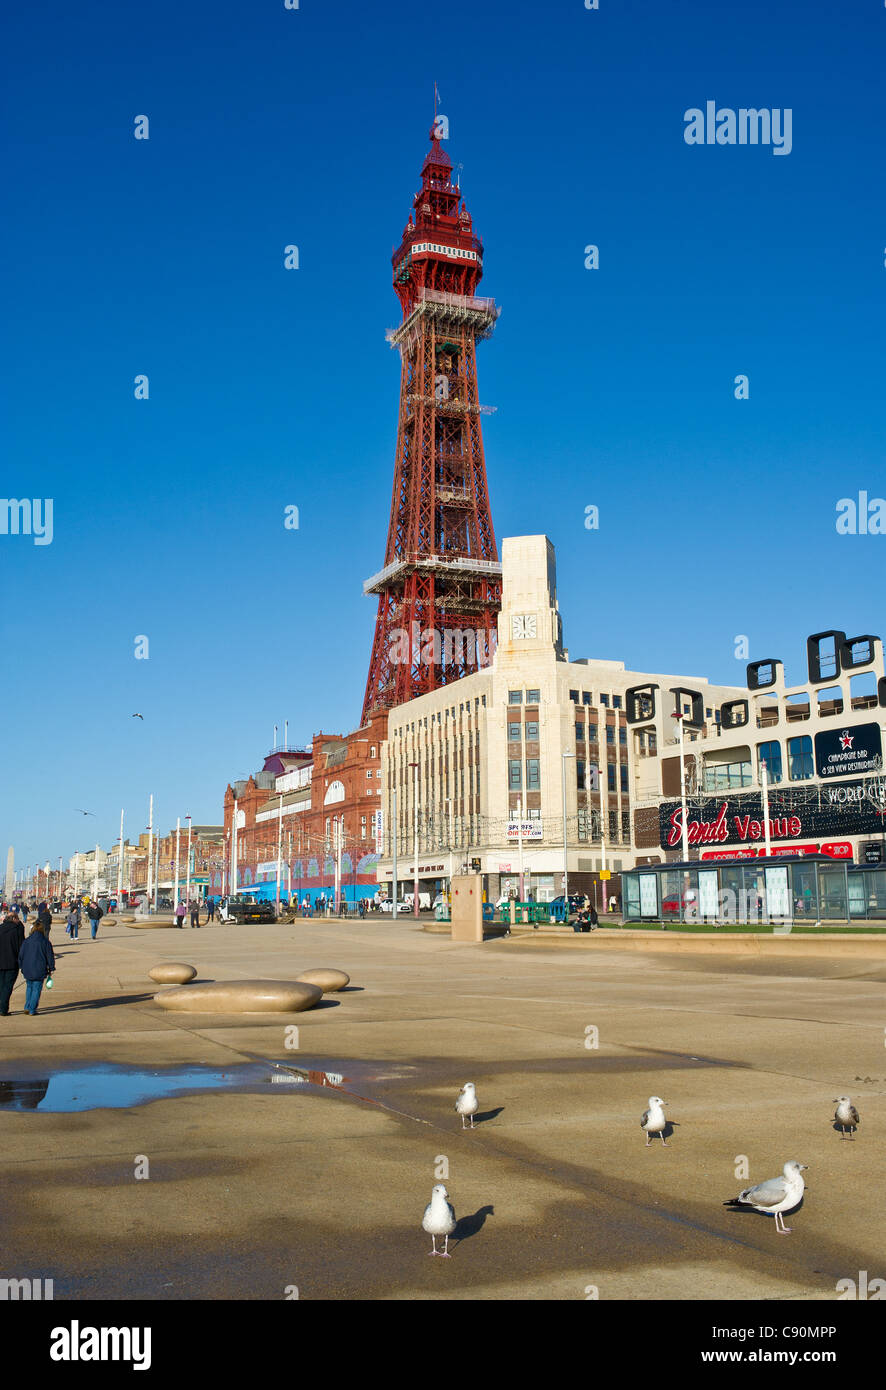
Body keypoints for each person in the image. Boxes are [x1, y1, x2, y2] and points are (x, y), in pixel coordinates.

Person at [19, 923, 55, 1016]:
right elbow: (50, 956)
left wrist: (21, 966)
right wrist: (51, 968)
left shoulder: (26, 941)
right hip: (39, 968)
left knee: (29, 987)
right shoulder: (45, 942)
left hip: (28, 968)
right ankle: (32, 1009)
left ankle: (27, 1006)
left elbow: (21, 955)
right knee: (36, 989)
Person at [0, 909, 25, 1016]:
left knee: (1, 985)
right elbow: (21, 946)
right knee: (7, 986)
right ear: (14, 919)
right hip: (12, 962)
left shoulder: (0, 928)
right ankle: (3, 1008)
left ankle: (2, 1007)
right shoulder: (17, 930)